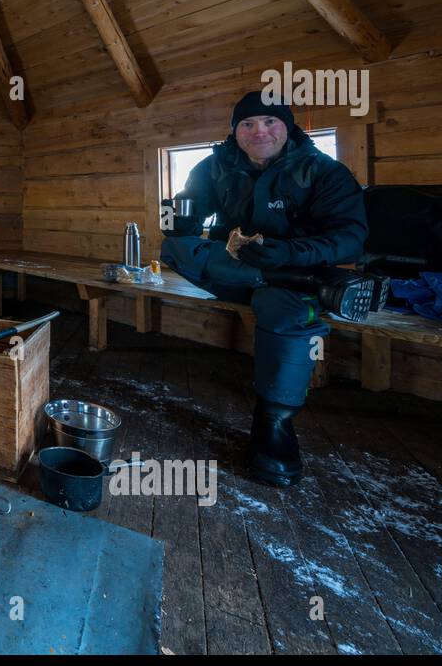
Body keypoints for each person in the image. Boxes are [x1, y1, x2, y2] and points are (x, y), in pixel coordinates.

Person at [160, 91, 373, 487]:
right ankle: (293, 284)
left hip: (293, 272)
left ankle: (274, 424)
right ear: (236, 132)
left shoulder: (322, 170)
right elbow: (185, 224)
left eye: (270, 122)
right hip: (238, 274)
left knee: (283, 309)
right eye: (247, 124)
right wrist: (176, 217)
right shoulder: (215, 167)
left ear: (287, 126)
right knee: (173, 248)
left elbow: (350, 239)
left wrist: (291, 251)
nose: (259, 132)